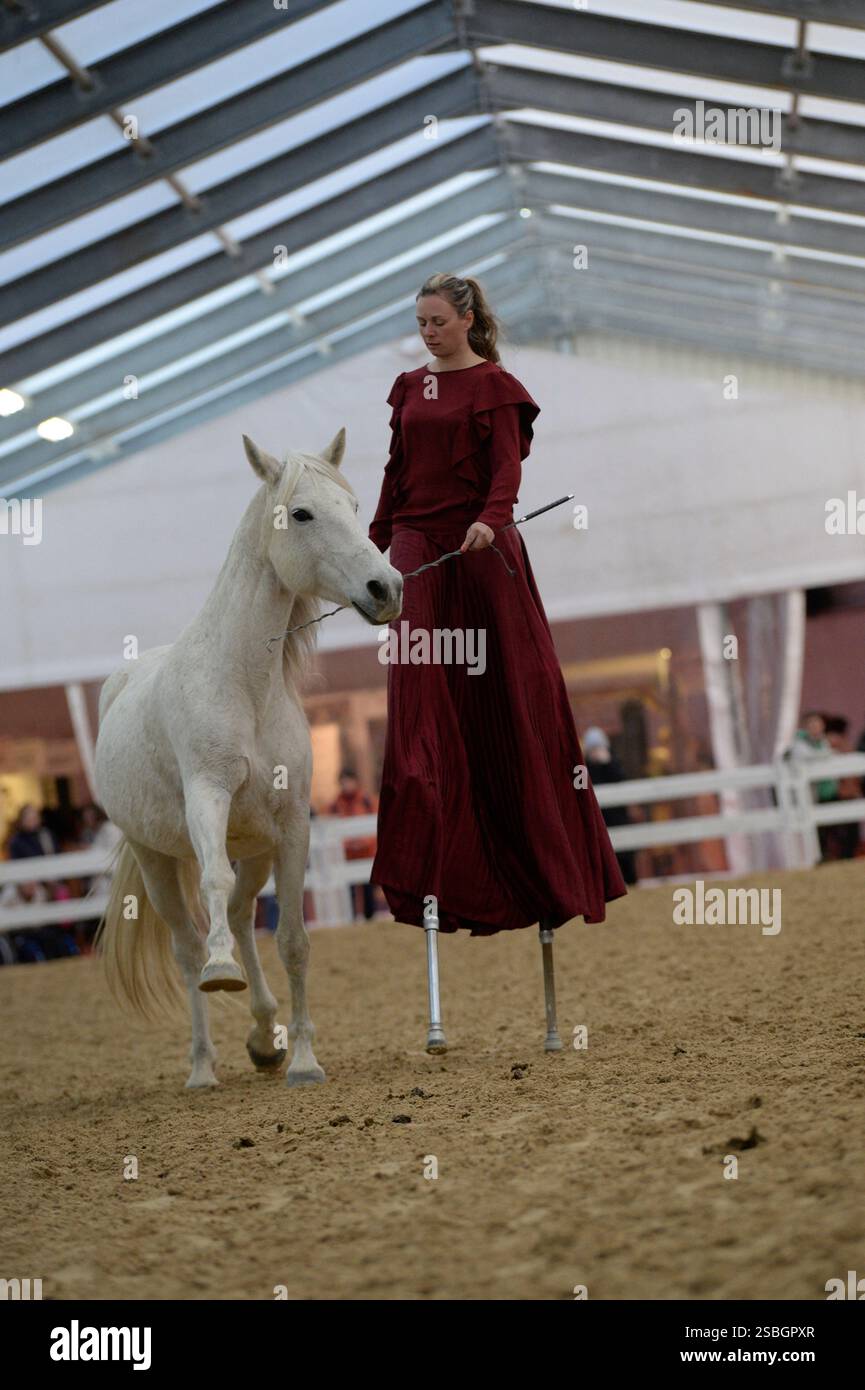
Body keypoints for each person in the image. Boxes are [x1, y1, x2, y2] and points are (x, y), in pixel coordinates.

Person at [367, 270, 626, 935]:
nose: (426, 333)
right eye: (419, 322)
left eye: (436, 322)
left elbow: (507, 467)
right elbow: (395, 468)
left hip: (481, 548)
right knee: (418, 704)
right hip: (415, 545)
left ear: (467, 320)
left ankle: (536, 867)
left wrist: (493, 515)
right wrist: (376, 540)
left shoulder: (497, 388)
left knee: (506, 697)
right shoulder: (408, 388)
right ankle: (435, 868)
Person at [581, 727, 638, 886]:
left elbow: (622, 782)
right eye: (592, 749)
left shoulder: (615, 763)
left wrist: (607, 763)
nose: (595, 753)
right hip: (599, 823)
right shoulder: (583, 769)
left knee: (626, 862)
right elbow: (581, 789)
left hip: (618, 820)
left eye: (598, 748)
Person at [326, 769, 377, 921]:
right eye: (343, 782)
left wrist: (362, 842)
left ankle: (370, 919)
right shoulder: (335, 805)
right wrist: (348, 844)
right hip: (346, 856)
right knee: (350, 894)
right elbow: (331, 829)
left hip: (366, 854)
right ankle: (352, 921)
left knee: (368, 893)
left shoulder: (367, 801)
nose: (346, 785)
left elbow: (375, 825)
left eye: (348, 781)